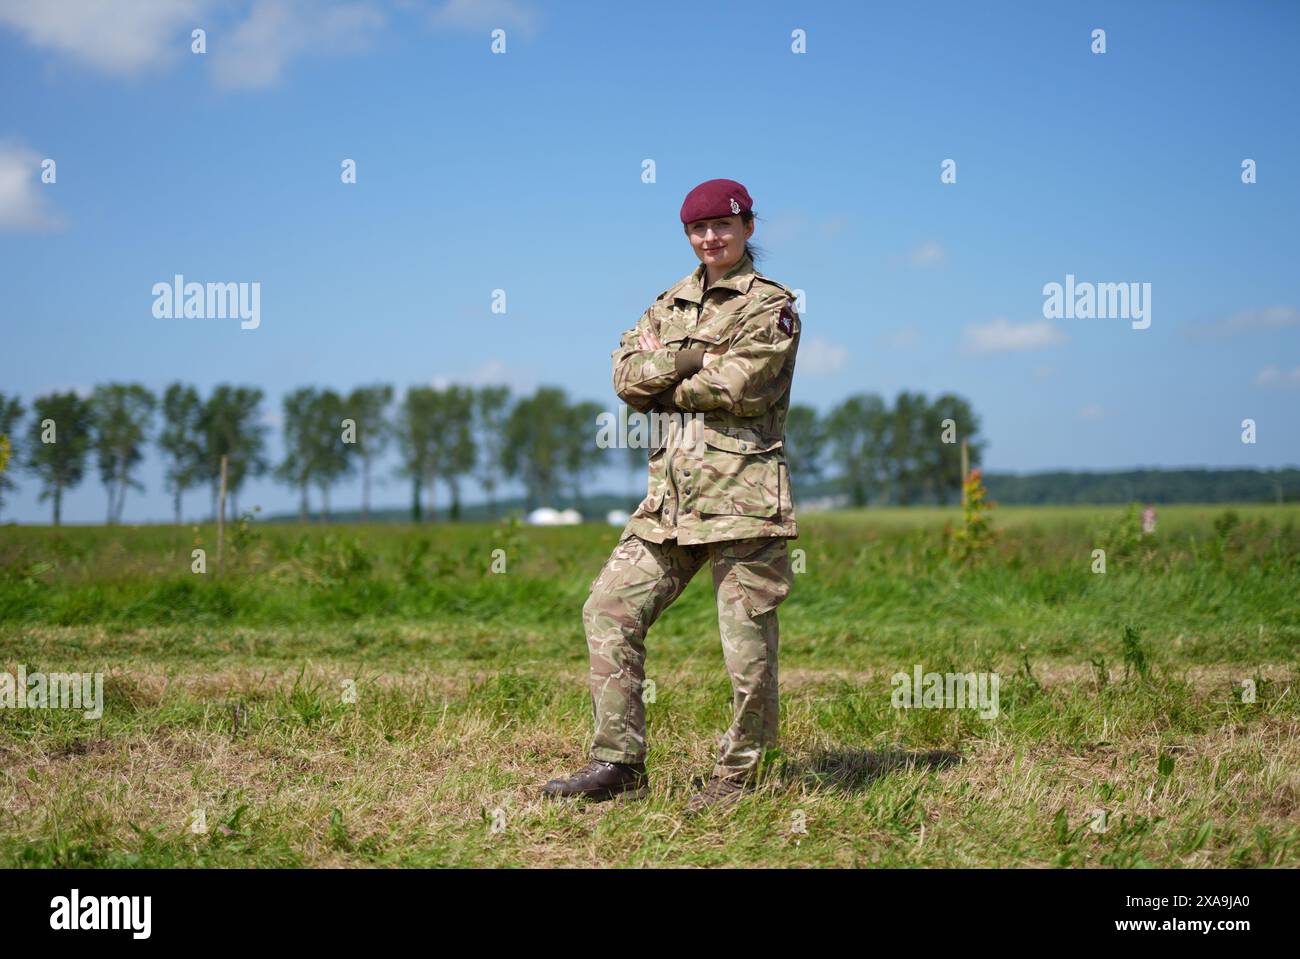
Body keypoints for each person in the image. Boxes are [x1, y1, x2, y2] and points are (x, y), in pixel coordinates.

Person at [542, 178, 801, 815]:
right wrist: (692, 362)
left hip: (744, 499)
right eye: (697, 228)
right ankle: (619, 763)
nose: (710, 237)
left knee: (747, 651)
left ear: (747, 227)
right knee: (608, 609)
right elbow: (625, 378)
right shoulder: (669, 303)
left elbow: (743, 385)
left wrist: (672, 370)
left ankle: (744, 774)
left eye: (723, 225)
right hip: (670, 503)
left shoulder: (772, 305)